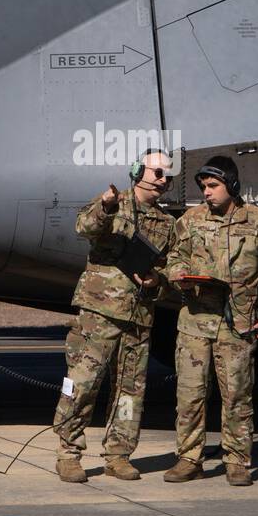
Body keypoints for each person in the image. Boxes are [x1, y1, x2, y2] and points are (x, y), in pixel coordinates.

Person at [163, 155, 258, 486]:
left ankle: (237, 460)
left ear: (232, 186)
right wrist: (180, 275)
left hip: (238, 324)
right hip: (195, 322)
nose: (207, 192)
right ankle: (189, 458)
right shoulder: (190, 220)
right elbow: (173, 258)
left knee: (237, 396)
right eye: (204, 187)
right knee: (189, 395)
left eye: (213, 186)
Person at [52, 148, 177, 482]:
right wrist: (104, 206)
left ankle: (118, 455)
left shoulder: (167, 223)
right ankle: (68, 453)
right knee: (82, 385)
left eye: (168, 175)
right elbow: (84, 226)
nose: (163, 181)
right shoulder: (113, 205)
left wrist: (157, 281)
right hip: (99, 313)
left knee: (129, 393)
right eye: (157, 173)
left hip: (138, 317)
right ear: (138, 171)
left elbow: (172, 272)